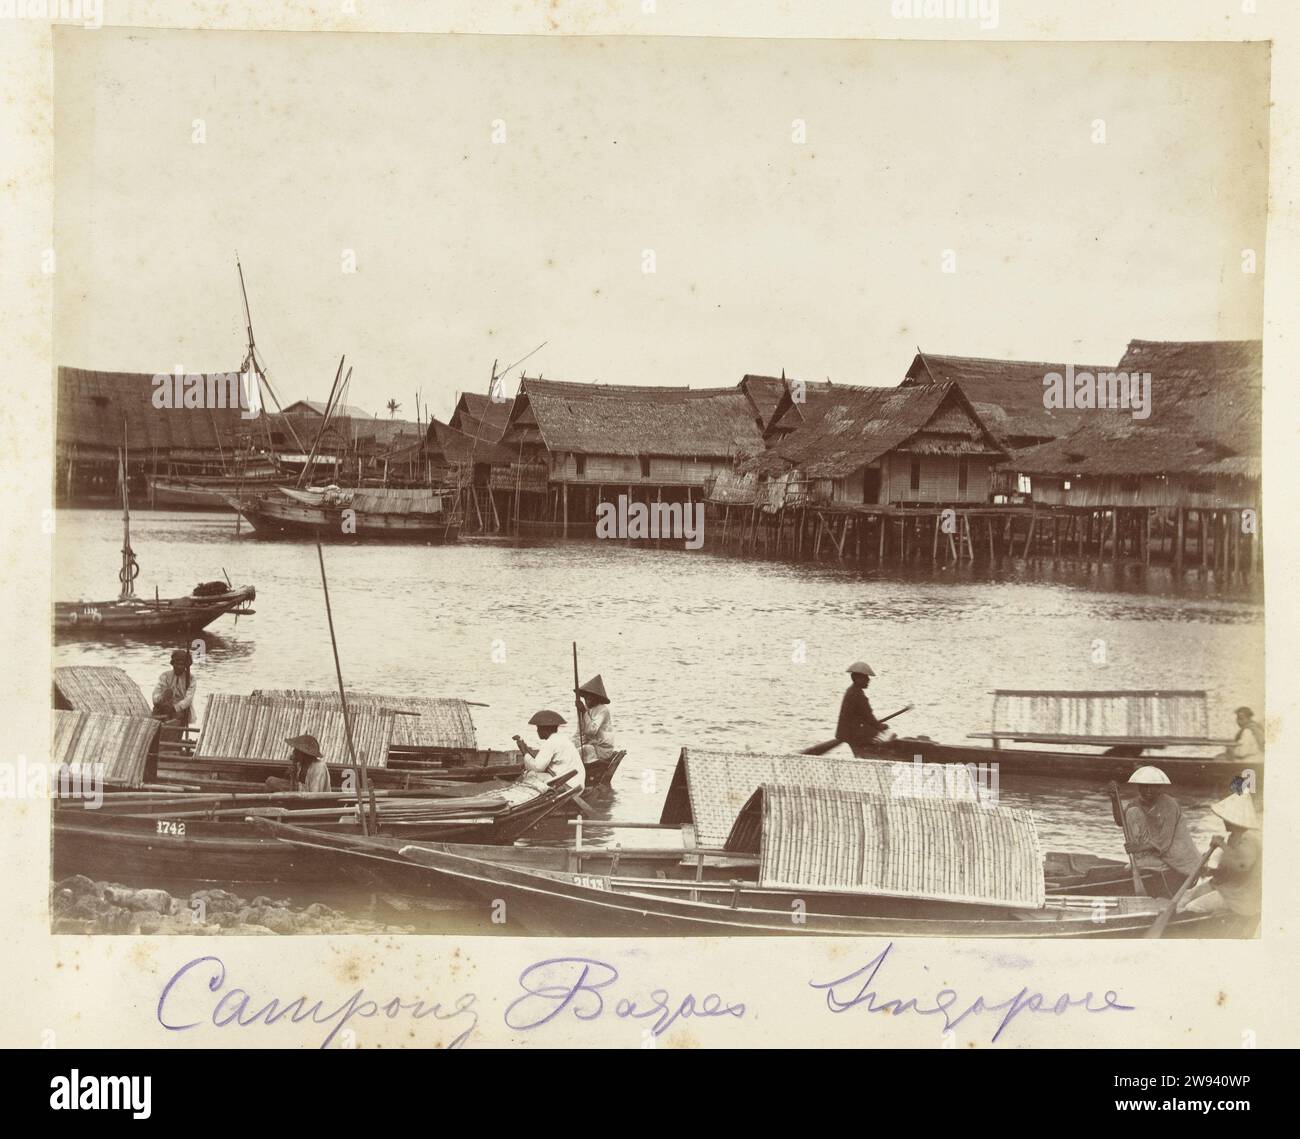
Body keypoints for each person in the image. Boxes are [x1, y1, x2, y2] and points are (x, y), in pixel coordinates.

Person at [1179, 790, 1261, 921]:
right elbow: (1230, 870)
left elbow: (1242, 866)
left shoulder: (1248, 838)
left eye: (1226, 817)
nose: (1224, 820)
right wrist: (1209, 871)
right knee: (1186, 897)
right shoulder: (1234, 836)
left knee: (1193, 907)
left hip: (1241, 897)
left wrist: (1221, 844)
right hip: (1230, 888)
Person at [1121, 766, 1201, 897]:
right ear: (1138, 787)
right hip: (1159, 854)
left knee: (1128, 868)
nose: (1148, 791)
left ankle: (1152, 866)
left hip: (1177, 858)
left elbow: (1164, 843)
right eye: (1144, 786)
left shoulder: (1169, 805)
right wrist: (1114, 798)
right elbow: (1121, 821)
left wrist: (1137, 848)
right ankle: (1145, 861)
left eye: (1153, 787)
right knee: (1131, 812)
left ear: (1160, 788)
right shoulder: (1138, 802)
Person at [513, 709, 586, 793]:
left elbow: (537, 767)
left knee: (530, 775)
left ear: (544, 729)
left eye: (538, 728)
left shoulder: (550, 742)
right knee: (531, 774)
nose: (537, 731)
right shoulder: (561, 738)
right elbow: (540, 763)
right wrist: (526, 750)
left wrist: (524, 751)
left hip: (567, 785)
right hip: (575, 783)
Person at [834, 662, 888, 758]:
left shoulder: (851, 691)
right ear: (857, 679)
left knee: (877, 733)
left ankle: (863, 754)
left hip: (847, 732)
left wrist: (876, 725)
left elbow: (865, 716)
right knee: (888, 735)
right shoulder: (858, 695)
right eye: (865, 677)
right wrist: (880, 726)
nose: (868, 680)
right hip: (854, 733)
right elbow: (869, 717)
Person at [265, 734, 332, 793]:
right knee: (270, 780)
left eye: (297, 751)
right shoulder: (300, 765)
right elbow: (294, 784)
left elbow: (315, 793)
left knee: (272, 782)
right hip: (301, 793)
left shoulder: (319, 767)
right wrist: (292, 776)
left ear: (304, 754)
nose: (294, 753)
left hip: (314, 800)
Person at [574, 675, 617, 765]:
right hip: (590, 744)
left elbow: (591, 731)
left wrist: (584, 712)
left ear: (597, 698)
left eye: (590, 698)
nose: (587, 700)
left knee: (585, 750)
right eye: (585, 698)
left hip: (602, 749)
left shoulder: (603, 710)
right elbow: (580, 732)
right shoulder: (585, 708)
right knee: (568, 747)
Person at [151, 649, 197, 727]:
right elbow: (155, 694)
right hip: (164, 706)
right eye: (177, 664)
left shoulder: (191, 679)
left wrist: (174, 708)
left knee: (175, 720)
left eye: (182, 664)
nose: (179, 667)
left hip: (180, 709)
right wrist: (161, 700)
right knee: (155, 714)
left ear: (185, 666)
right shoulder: (165, 676)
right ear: (173, 664)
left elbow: (188, 699)